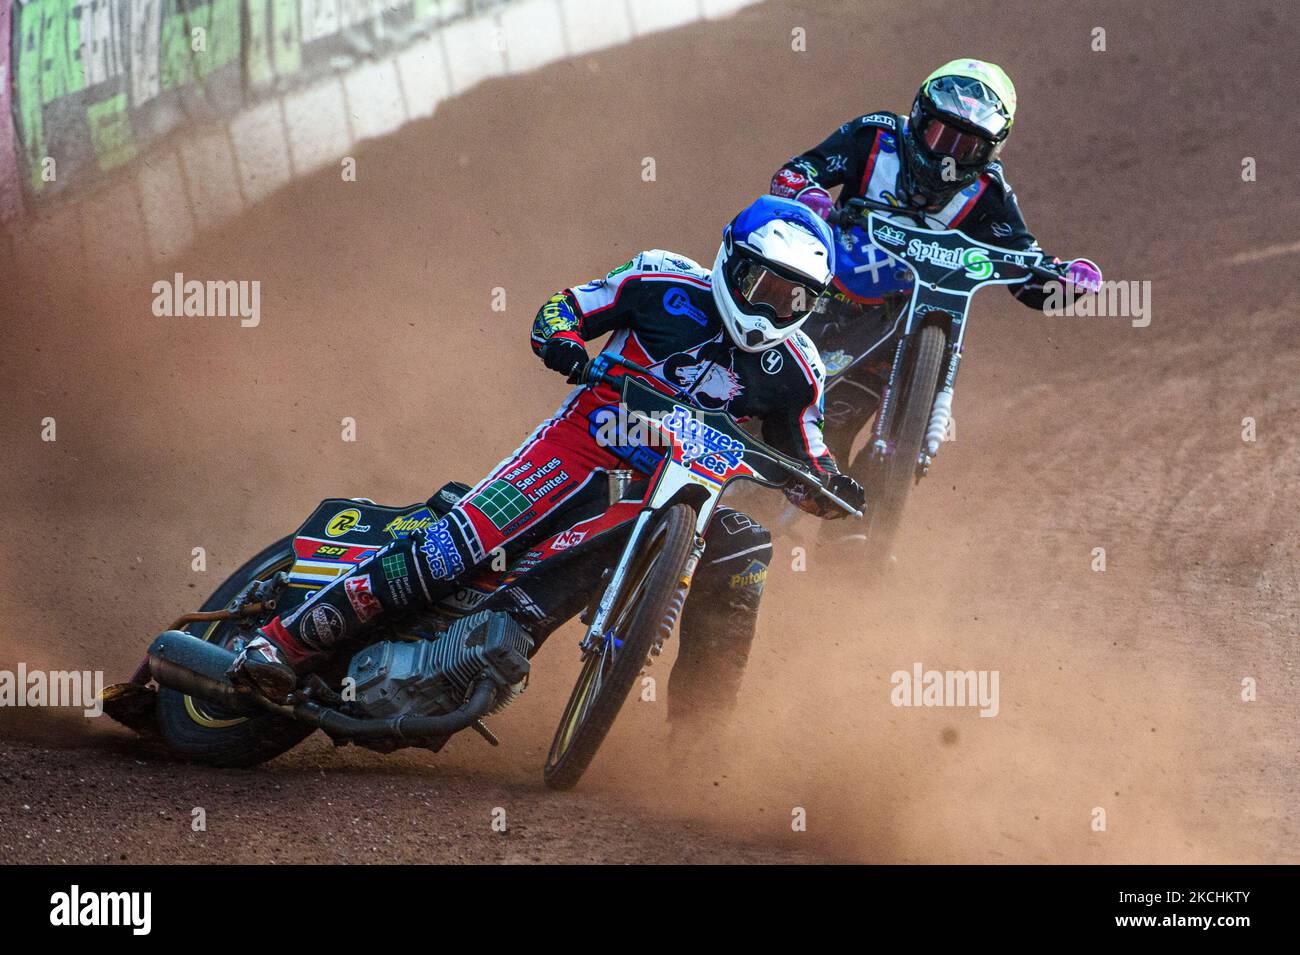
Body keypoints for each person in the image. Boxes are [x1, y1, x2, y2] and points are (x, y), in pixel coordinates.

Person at [228, 196, 865, 728]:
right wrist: (565, 348)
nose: (772, 310)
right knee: (456, 548)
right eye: (764, 287)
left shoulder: (798, 369)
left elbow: (806, 452)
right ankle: (279, 642)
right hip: (580, 450)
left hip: (677, 495)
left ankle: (697, 743)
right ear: (732, 261)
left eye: (794, 300)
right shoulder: (662, 280)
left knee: (745, 551)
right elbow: (565, 308)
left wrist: (833, 489)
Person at [769, 58, 1102, 459]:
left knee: (834, 426)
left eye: (968, 146)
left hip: (892, 326)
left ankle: (871, 487)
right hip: (818, 291)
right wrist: (809, 196)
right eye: (943, 136)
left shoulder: (989, 194)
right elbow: (795, 172)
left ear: (992, 150)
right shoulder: (873, 135)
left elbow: (1025, 270)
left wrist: (1064, 280)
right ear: (920, 118)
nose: (951, 158)